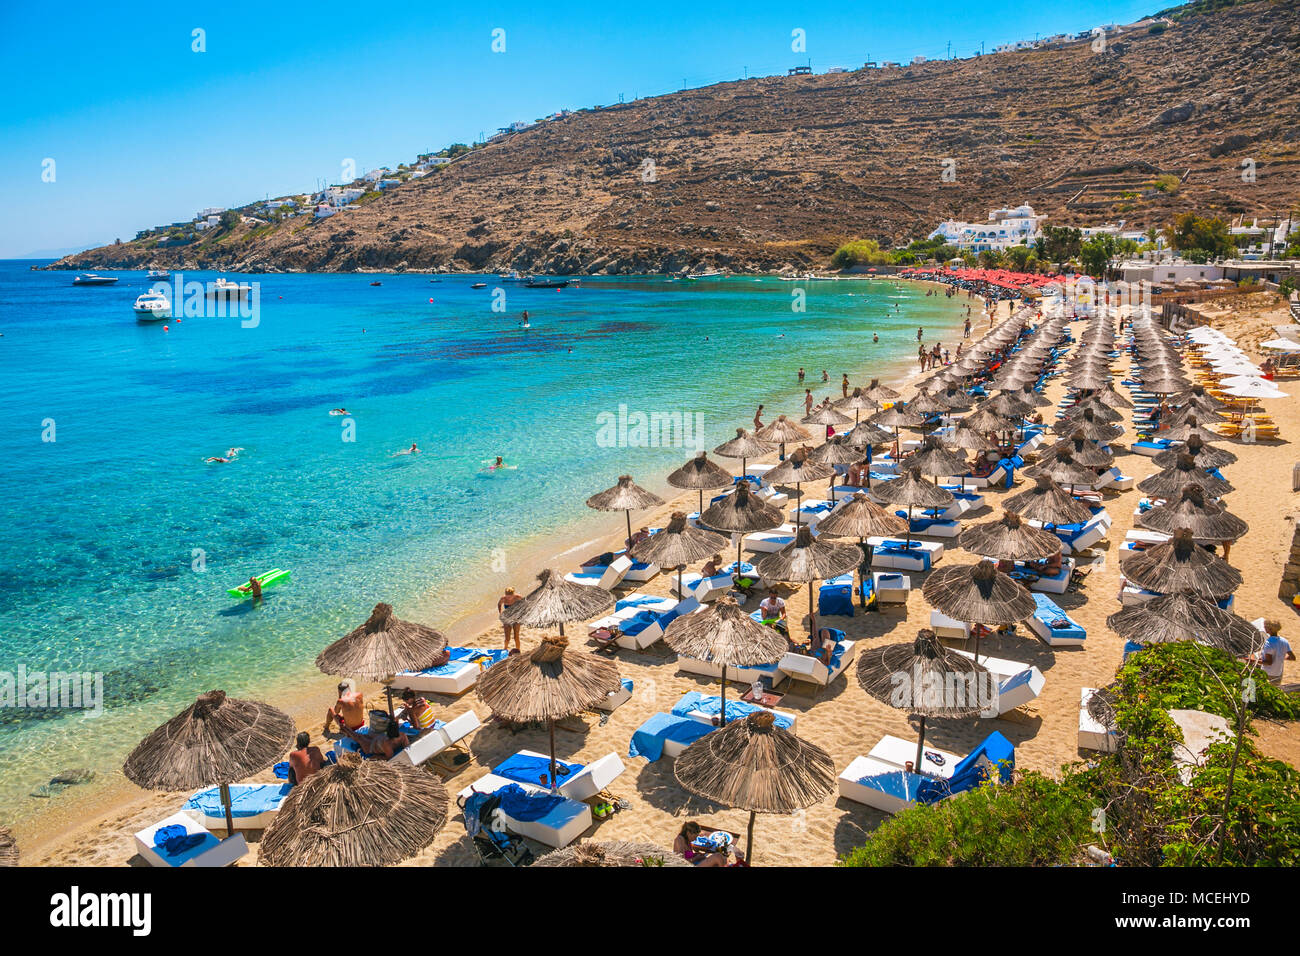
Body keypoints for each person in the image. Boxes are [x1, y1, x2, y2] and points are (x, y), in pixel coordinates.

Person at [340, 718, 408, 760]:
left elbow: (388, 757)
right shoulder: (402, 735)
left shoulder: (387, 743)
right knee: (361, 736)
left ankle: (345, 728)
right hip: (377, 740)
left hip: (371, 748)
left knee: (359, 738)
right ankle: (346, 729)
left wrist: (374, 756)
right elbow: (407, 746)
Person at [1251, 620, 1295, 686]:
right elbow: (1292, 657)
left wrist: (1253, 661)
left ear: (1269, 629)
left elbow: (1269, 662)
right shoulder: (1284, 641)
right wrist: (1281, 657)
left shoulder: (1269, 643)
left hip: (1267, 673)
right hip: (1278, 673)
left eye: (1265, 626)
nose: (1264, 627)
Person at [498, 587, 523, 652]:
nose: (508, 598)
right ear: (505, 594)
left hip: (516, 618)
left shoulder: (518, 597)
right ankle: (505, 649)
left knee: (516, 637)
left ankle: (518, 650)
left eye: (510, 596)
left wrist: (521, 611)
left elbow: (525, 603)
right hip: (507, 618)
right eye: (507, 596)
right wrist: (500, 612)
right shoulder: (503, 599)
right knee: (507, 638)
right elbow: (499, 604)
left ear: (513, 594)